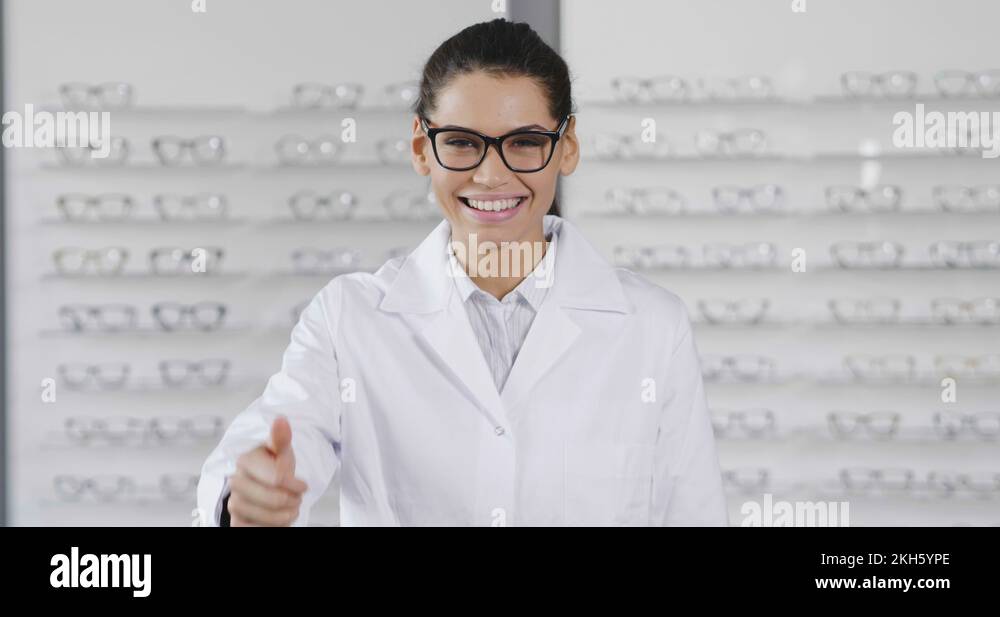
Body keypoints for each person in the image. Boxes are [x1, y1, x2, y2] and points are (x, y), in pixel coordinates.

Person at [196, 17, 727, 526]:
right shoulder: (348, 318)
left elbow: (693, 513)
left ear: (566, 149)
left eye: (525, 142)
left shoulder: (654, 326)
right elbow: (277, 439)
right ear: (422, 149)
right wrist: (247, 497)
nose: (491, 174)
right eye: (461, 143)